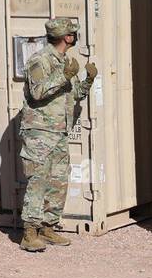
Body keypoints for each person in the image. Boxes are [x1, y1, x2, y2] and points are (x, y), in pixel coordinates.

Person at [18, 17, 97, 251]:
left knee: (58, 182)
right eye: (73, 34)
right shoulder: (40, 59)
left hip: (59, 131)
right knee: (38, 181)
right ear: (68, 37)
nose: (75, 37)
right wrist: (64, 75)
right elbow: (38, 92)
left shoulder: (65, 61)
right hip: (40, 133)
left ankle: (48, 228)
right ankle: (29, 234)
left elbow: (74, 96)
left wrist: (88, 80)